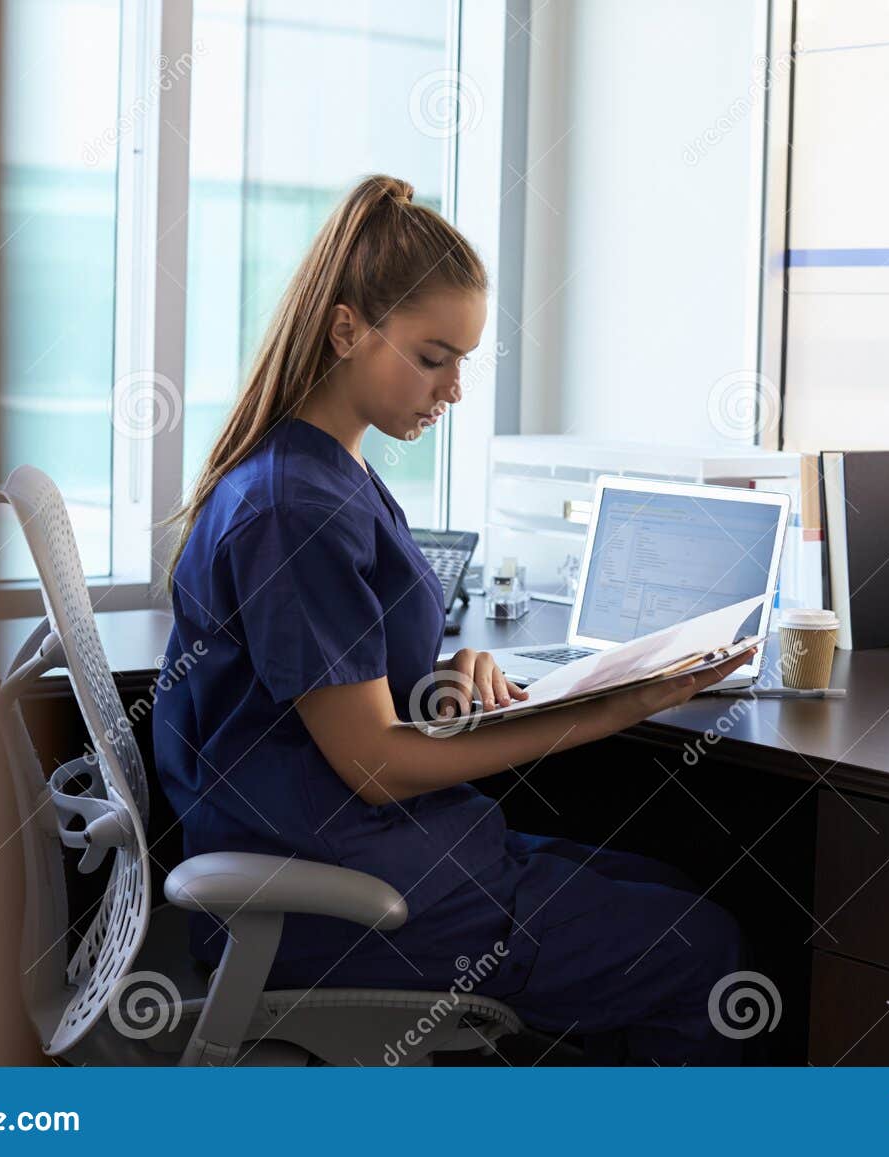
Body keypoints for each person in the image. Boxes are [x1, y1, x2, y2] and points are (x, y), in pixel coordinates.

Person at [151, 174, 750, 1064]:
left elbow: (330, 697)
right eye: (434, 357)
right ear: (347, 329)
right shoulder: (297, 507)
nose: (455, 389)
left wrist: (445, 676)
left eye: (463, 360)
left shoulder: (322, 471)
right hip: (341, 897)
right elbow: (378, 766)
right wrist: (613, 708)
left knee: (664, 883)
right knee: (703, 950)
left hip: (359, 854)